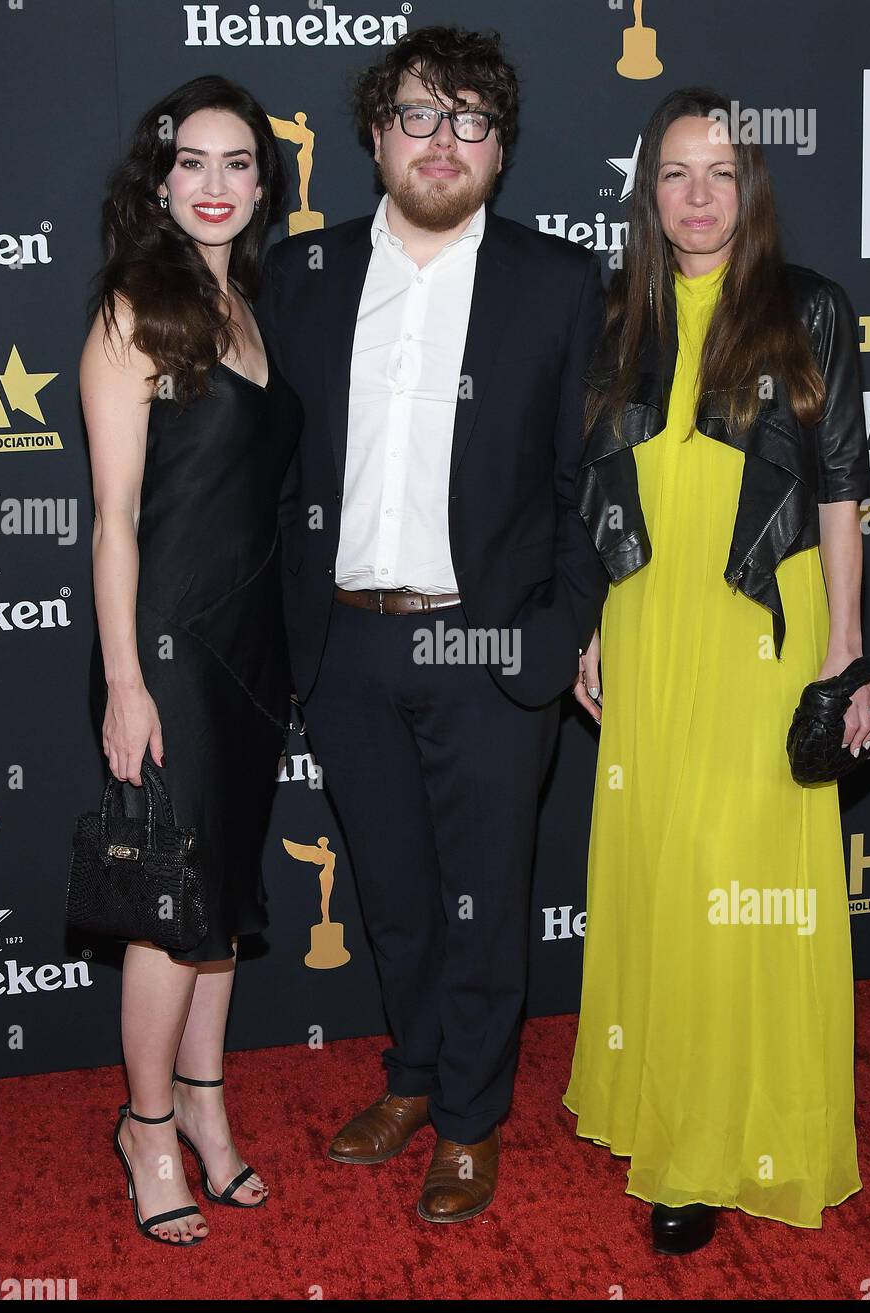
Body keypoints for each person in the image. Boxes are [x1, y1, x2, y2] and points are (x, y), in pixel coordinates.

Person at [256, 26, 608, 1223]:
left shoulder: (556, 281)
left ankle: (468, 1116)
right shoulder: (299, 276)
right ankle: (411, 1074)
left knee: (484, 898)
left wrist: (562, 626)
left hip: (489, 645)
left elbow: (584, 480)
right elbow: (269, 468)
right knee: (394, 891)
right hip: (346, 641)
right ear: (375, 135)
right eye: (418, 114)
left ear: (499, 149)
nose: (442, 140)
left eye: (470, 120)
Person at [564, 87, 870, 1254]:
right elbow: (594, 487)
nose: (697, 197)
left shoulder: (808, 308)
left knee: (731, 877)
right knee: (661, 873)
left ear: (751, 188)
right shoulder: (619, 314)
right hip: (648, 624)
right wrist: (592, 622)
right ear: (646, 192)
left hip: (761, 626)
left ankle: (716, 1144)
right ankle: (665, 1110)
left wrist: (845, 649)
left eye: (720, 173)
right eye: (674, 173)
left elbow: (838, 483)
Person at [81, 75, 302, 1245]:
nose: (214, 185)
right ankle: (148, 1126)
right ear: (159, 183)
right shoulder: (136, 309)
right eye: (192, 163)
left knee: (220, 900)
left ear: (264, 186)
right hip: (164, 645)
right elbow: (114, 517)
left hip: (249, 651)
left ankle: (207, 1106)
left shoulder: (251, 312)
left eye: (238, 164)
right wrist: (125, 679)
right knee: (171, 907)